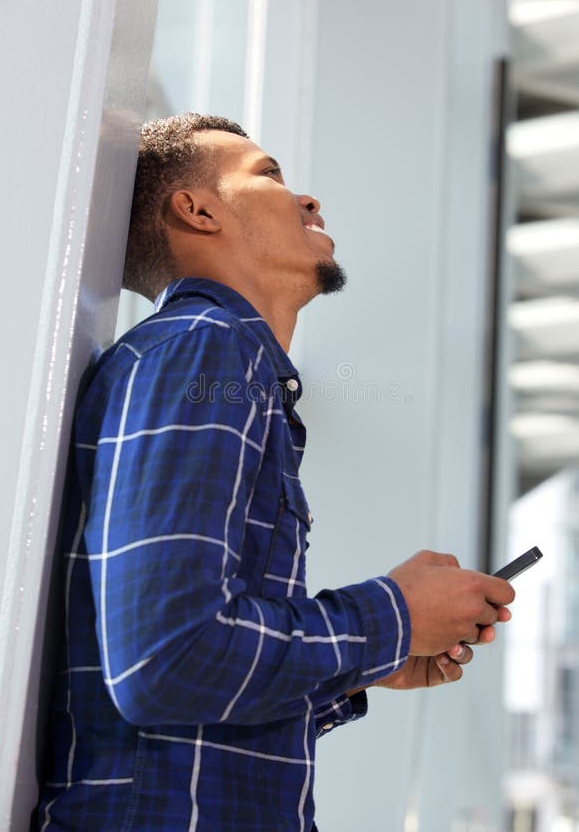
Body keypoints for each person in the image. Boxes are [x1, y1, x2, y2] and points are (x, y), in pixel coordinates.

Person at [35, 113, 515, 831]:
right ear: (196, 211)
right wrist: (395, 615)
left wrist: (369, 662)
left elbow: (181, 719)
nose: (308, 199)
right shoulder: (204, 352)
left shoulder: (223, 365)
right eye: (268, 174)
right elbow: (166, 661)